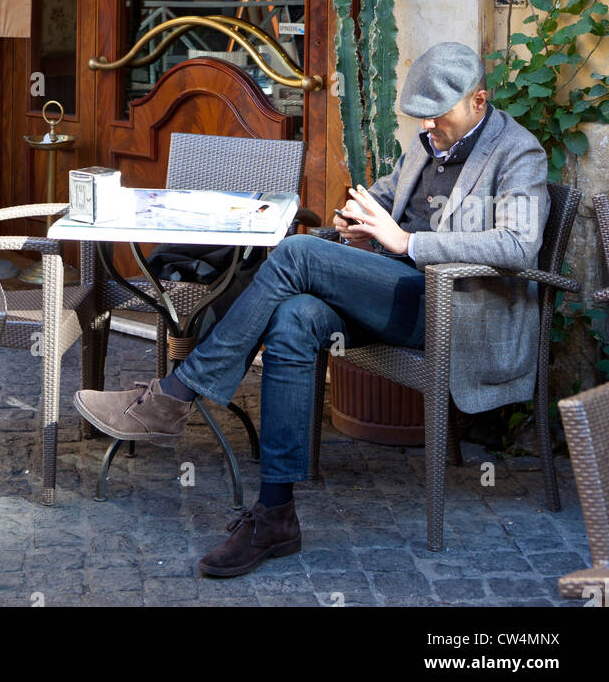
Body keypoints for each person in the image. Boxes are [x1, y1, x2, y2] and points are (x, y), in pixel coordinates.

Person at [74, 42, 549, 578]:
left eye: (440, 115)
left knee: (297, 253)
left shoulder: (518, 153)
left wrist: (407, 244)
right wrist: (359, 213)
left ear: (479, 101)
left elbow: (517, 245)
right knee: (295, 317)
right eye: (421, 116)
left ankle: (175, 395)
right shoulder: (428, 141)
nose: (429, 125)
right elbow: (390, 194)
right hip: (390, 291)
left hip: (450, 307)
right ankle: (275, 515)